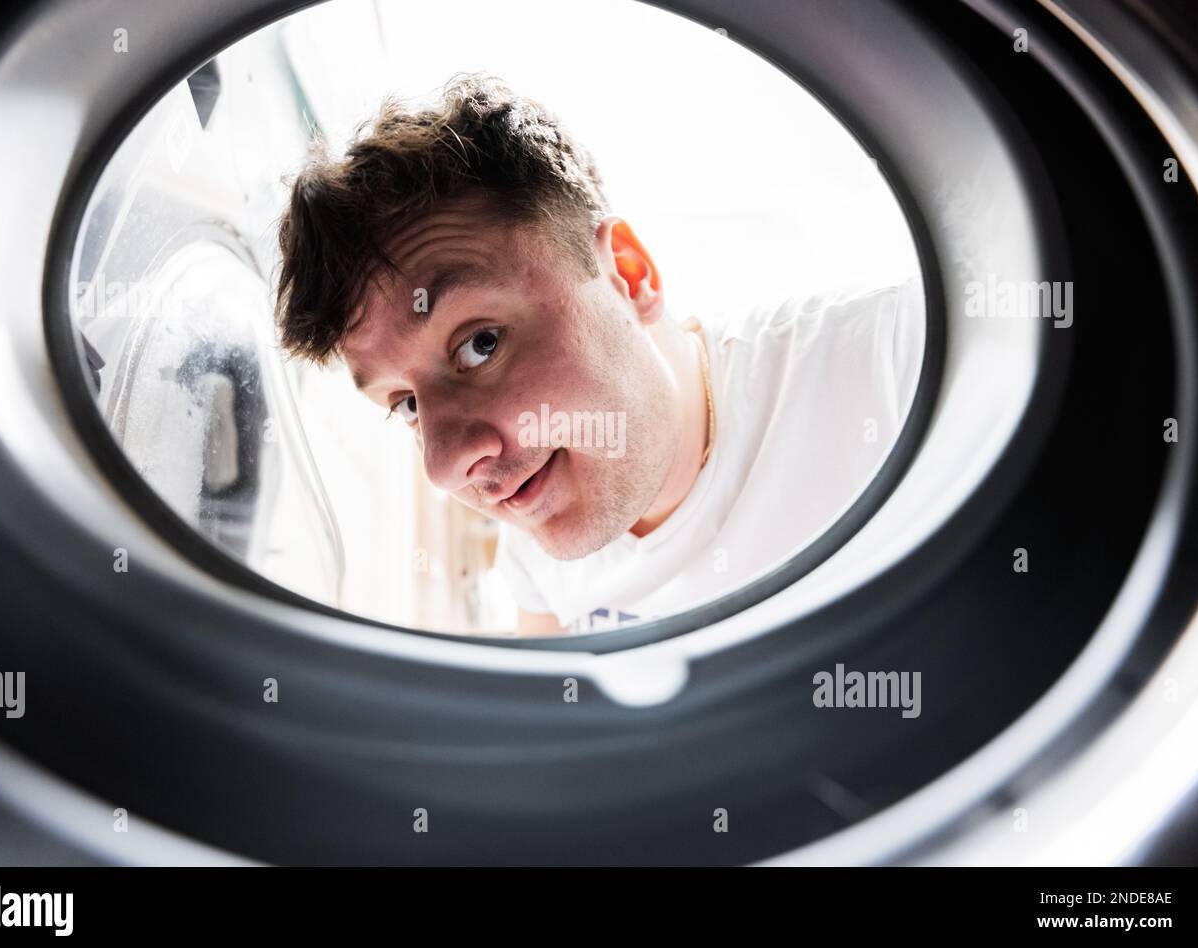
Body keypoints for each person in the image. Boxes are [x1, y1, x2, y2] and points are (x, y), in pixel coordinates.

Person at [274, 72, 924, 636]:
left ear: (628, 272)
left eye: (480, 344)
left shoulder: (892, 359)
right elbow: (545, 734)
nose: (446, 467)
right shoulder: (538, 527)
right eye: (408, 404)